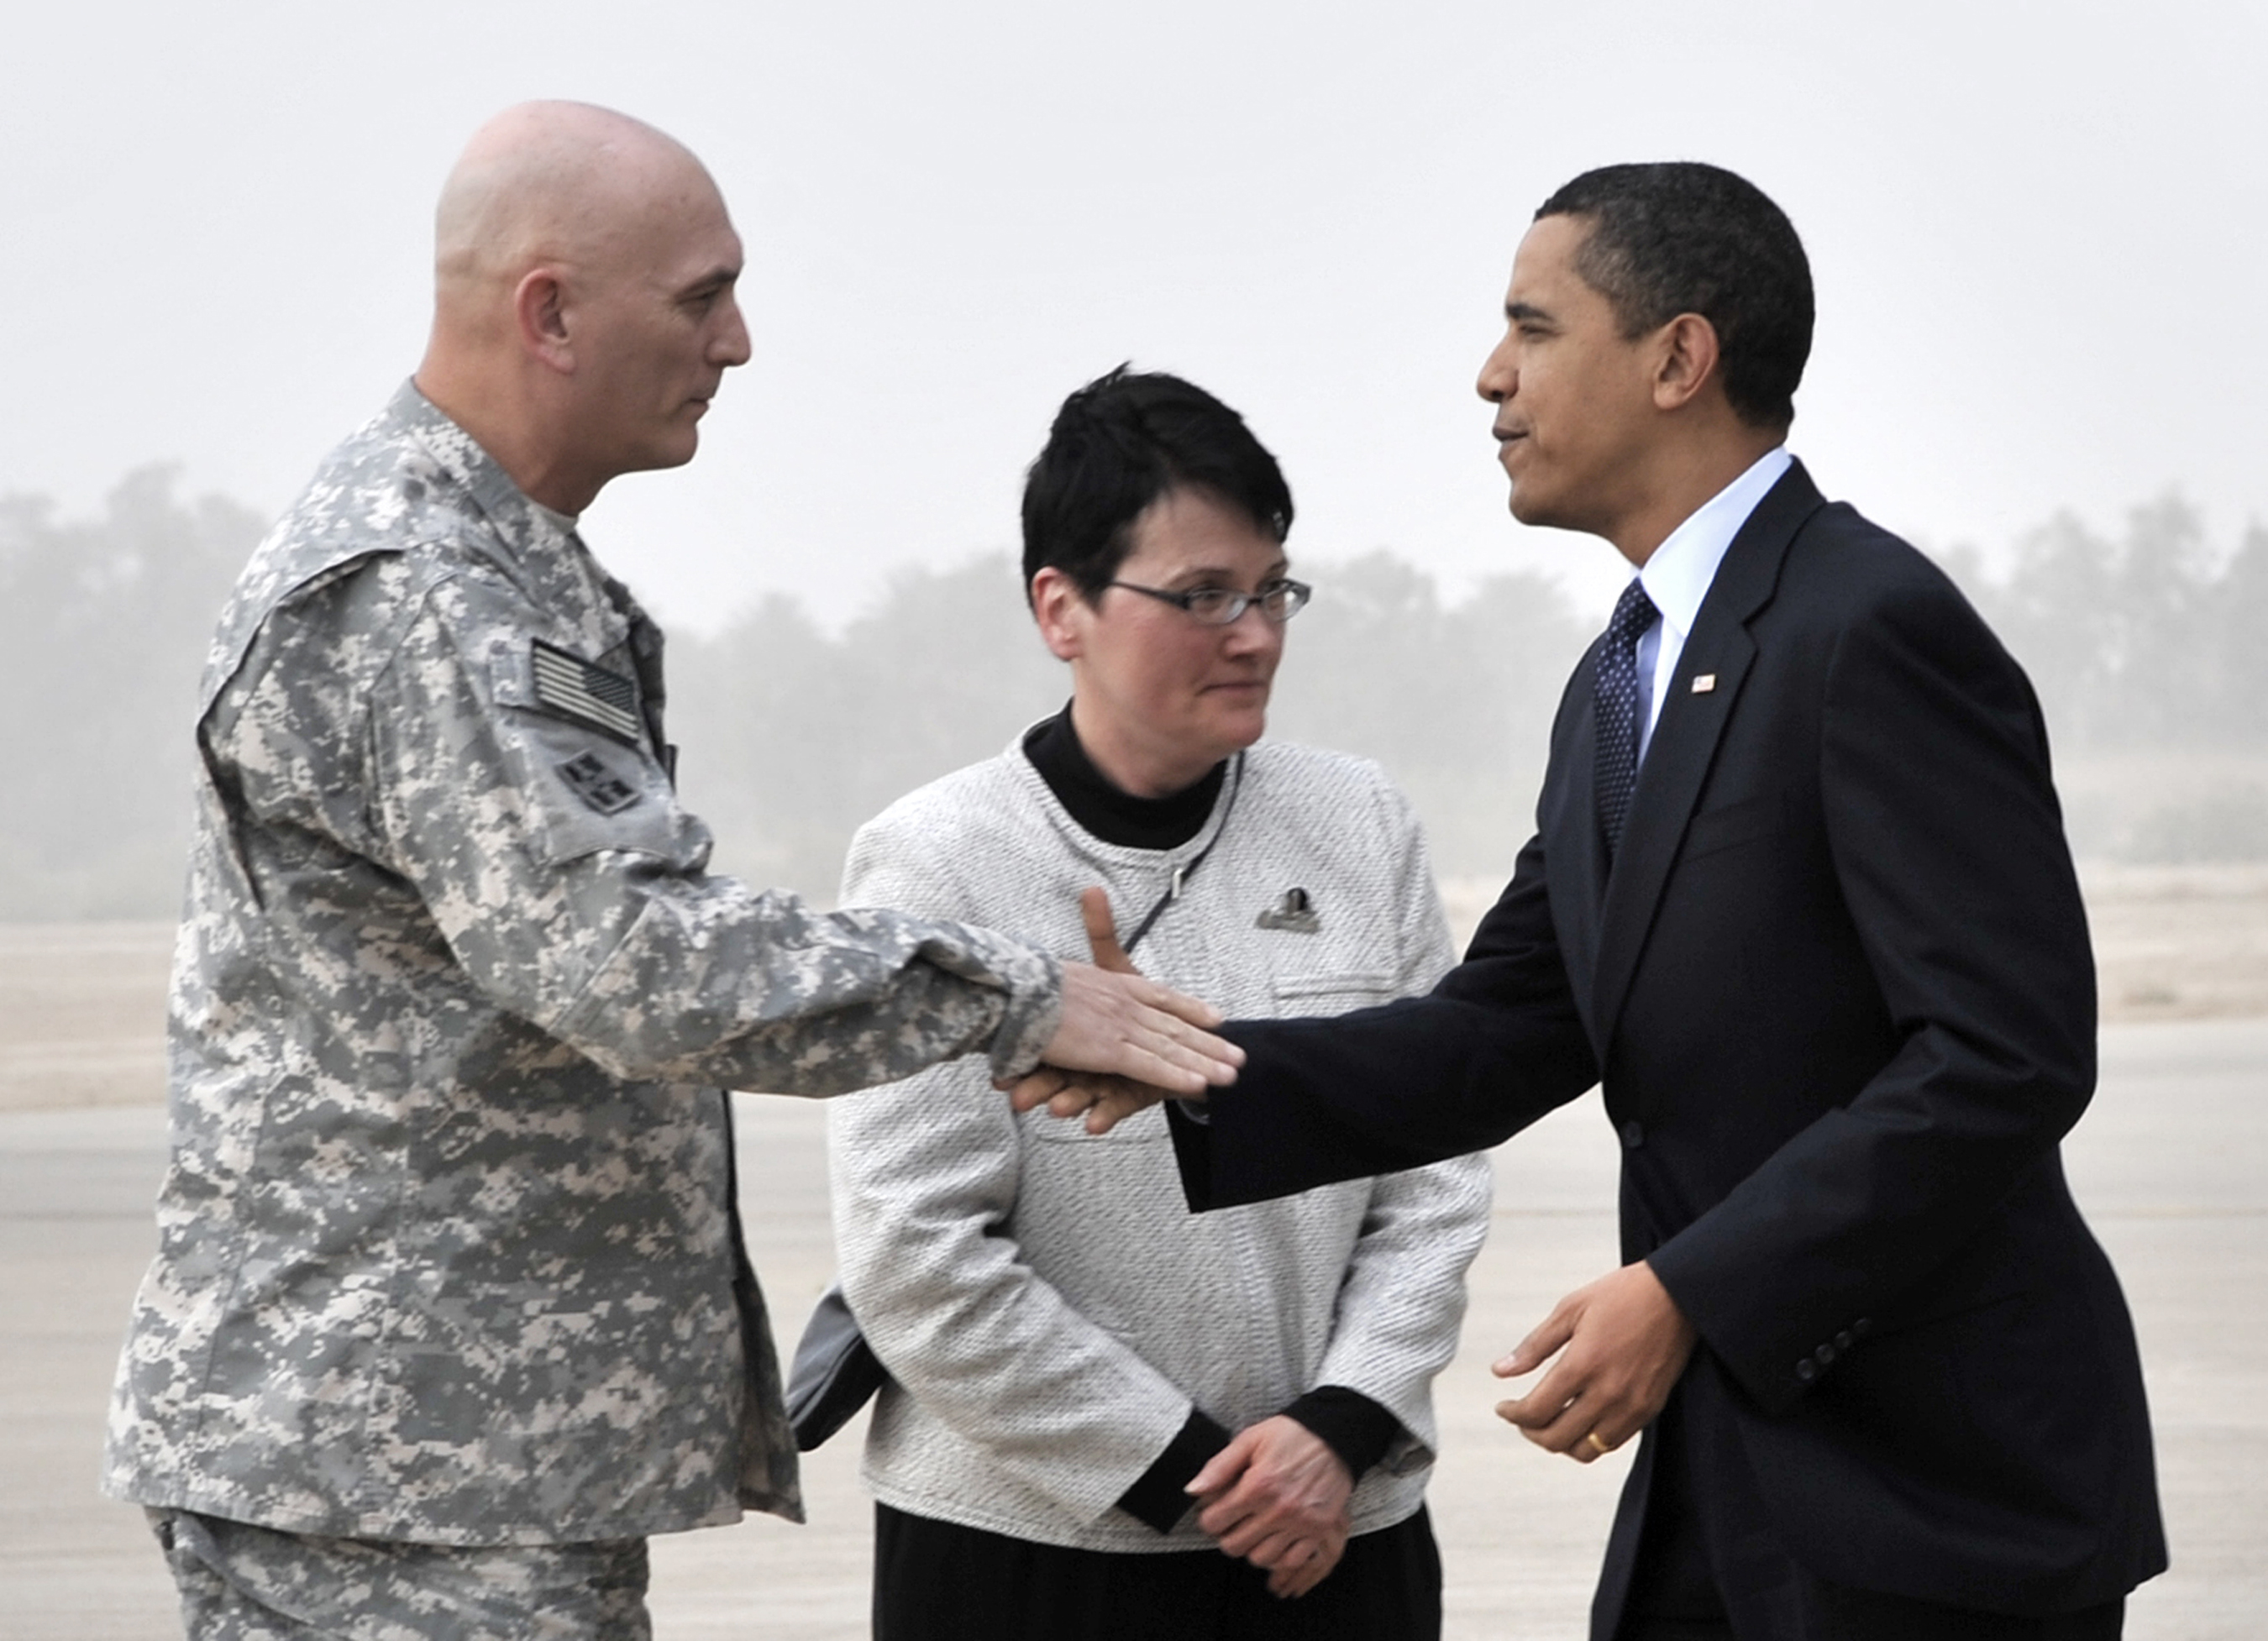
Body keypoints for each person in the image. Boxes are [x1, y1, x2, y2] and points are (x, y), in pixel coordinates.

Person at [100, 103, 1238, 1641]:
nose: (741, 341)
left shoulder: (506, 565)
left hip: (450, 1459)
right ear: (550, 312)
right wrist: (1018, 999)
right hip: (388, 1481)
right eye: (701, 297)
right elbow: (621, 960)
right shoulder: (422, 590)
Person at [1023, 165, 2166, 1639]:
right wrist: (1186, 1062)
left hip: (1928, 1490)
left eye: (1534, 327)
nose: (1490, 376)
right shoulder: (1622, 678)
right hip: (1736, 1463)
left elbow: (2004, 1056)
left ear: (1679, 359)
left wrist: (1691, 1287)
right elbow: (1506, 1026)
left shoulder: (1867, 629)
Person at [822, 367, 1491, 1640]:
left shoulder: (1357, 824)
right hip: (1028, 1552)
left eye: (1271, 588)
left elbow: (1438, 1168)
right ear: (1059, 608)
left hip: (1338, 1528)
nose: (1254, 632)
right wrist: (1201, 1476)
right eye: (1201, 597)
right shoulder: (935, 859)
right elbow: (916, 1253)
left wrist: (1341, 1427)